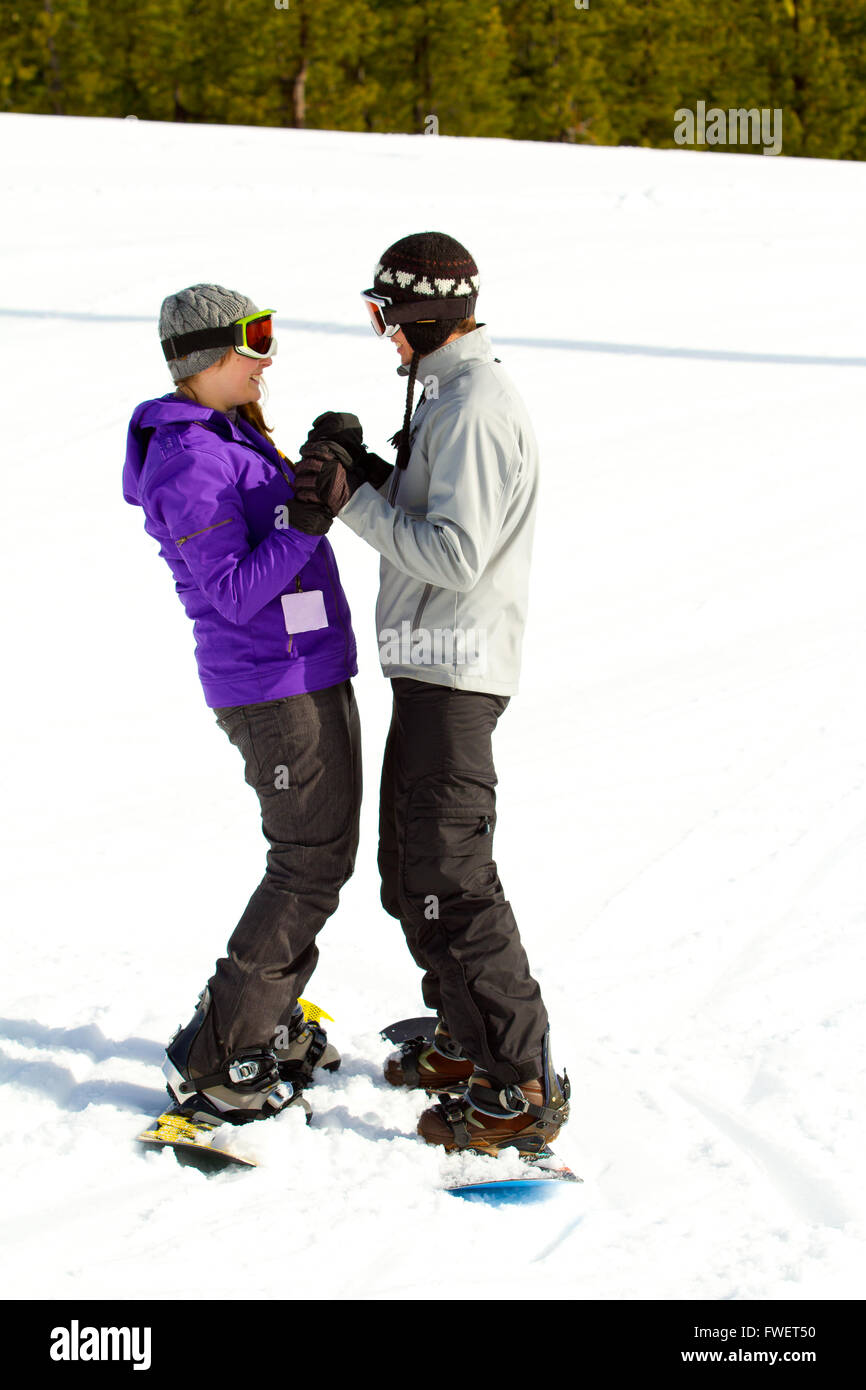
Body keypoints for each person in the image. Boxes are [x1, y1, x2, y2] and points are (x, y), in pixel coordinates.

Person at [293, 233, 569, 1155]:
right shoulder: (447, 395)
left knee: (454, 877)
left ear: (419, 313)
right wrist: (367, 472)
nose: (381, 334)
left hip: (457, 671)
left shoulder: (478, 407)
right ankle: (463, 1036)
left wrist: (351, 502)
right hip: (426, 666)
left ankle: (520, 1082)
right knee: (411, 874)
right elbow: (428, 515)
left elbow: (455, 553)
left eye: (383, 314)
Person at [122, 284, 362, 1126]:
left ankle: (266, 1021)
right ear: (204, 357)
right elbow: (232, 593)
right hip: (270, 684)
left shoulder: (227, 434)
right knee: (306, 862)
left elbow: (268, 534)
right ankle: (221, 1060)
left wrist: (315, 470)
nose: (267, 355)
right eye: (253, 341)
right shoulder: (188, 458)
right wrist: (305, 520)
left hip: (304, 666)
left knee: (321, 856)